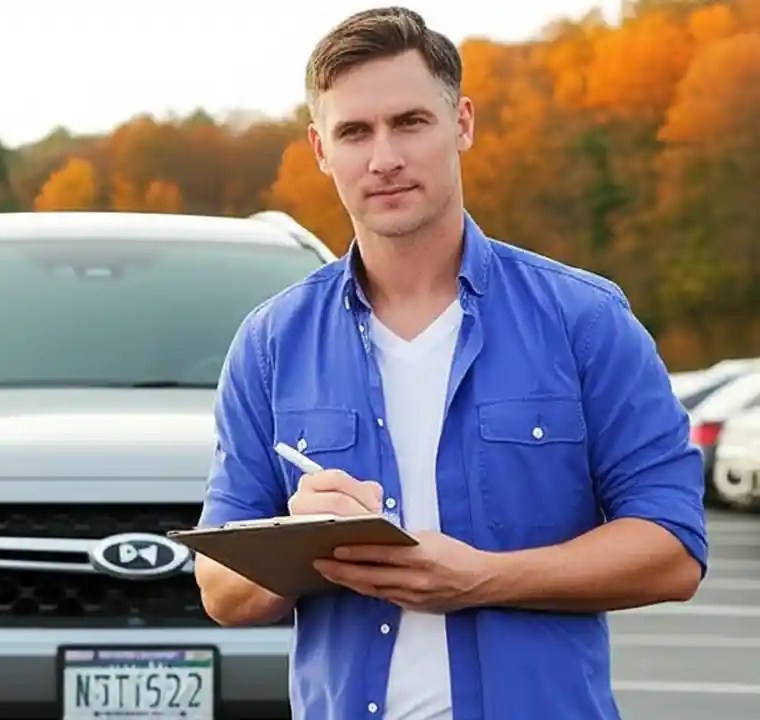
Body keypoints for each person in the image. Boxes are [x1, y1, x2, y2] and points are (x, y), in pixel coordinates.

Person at [193, 6, 708, 720]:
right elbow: (221, 592)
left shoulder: (584, 320)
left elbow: (674, 548)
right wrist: (293, 539)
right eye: (354, 132)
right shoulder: (271, 342)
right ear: (320, 149)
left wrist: (484, 580)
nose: (384, 158)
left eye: (409, 122)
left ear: (461, 123)